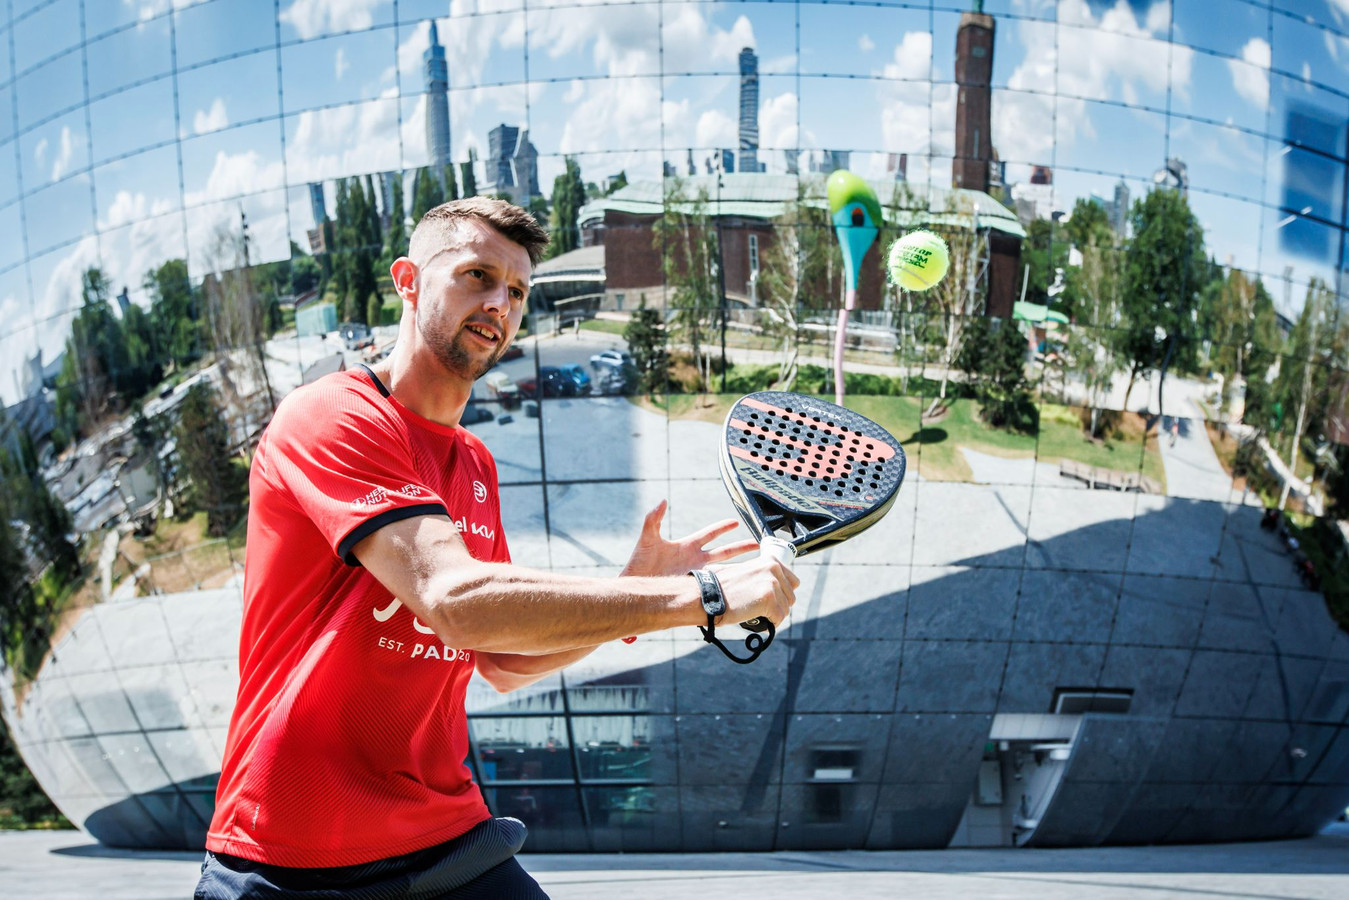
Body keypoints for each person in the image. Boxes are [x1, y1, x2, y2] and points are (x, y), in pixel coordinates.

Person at [195, 197, 798, 899]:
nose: (498, 303)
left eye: (515, 290)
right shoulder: (331, 414)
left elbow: (504, 663)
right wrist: (706, 597)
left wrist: (632, 596)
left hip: (442, 838)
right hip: (291, 856)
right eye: (476, 275)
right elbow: (457, 603)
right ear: (409, 280)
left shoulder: (474, 465)